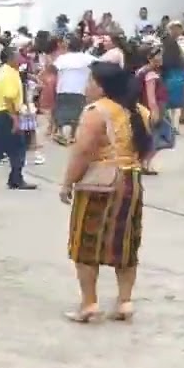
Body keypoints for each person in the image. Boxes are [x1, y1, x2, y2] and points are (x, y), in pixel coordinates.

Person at [59, 62, 151, 323]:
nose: (87, 86)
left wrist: (67, 182)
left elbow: (84, 151)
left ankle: (89, 303)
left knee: (85, 244)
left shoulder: (96, 112)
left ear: (101, 86)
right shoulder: (139, 111)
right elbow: (146, 147)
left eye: (91, 81)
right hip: (131, 180)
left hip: (101, 183)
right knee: (126, 243)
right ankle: (124, 301)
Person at [0, 45, 38, 190]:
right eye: (17, 56)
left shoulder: (6, 71)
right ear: (10, 58)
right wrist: (15, 119)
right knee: (18, 148)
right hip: (6, 115)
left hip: (0, 114)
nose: (20, 58)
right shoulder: (9, 74)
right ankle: (16, 179)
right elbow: (8, 98)